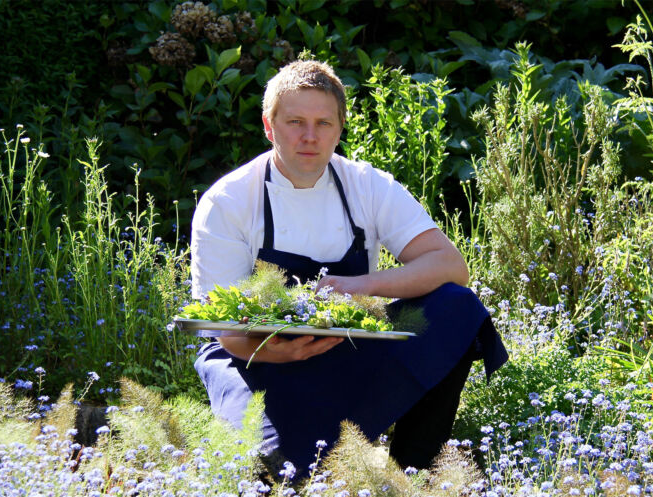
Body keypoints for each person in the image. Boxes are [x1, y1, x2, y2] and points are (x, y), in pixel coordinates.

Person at [191, 59, 508, 476]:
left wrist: (360, 286)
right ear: (269, 127)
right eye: (295, 122)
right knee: (276, 468)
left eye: (324, 123)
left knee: (456, 307)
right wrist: (277, 350)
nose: (310, 136)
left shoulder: (367, 184)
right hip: (252, 358)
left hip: (348, 343)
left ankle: (414, 468)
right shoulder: (228, 202)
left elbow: (450, 265)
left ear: (340, 129)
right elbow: (226, 330)